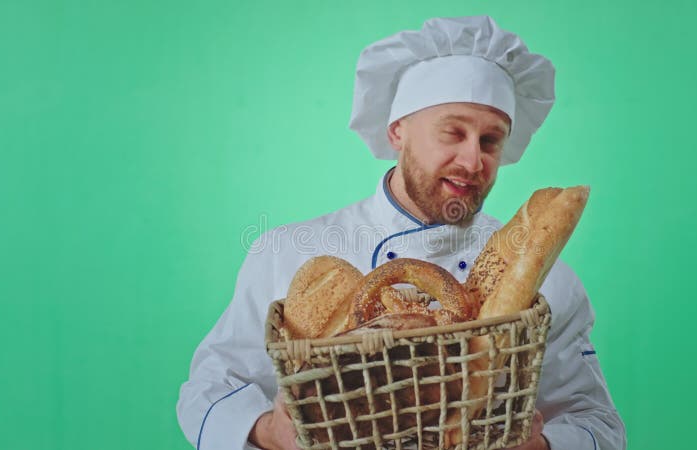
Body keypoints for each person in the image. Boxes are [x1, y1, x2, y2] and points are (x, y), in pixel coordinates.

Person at [177, 16, 626, 450]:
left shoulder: (546, 280)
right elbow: (207, 389)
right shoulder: (288, 253)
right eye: (453, 133)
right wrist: (267, 431)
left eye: (491, 141)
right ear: (397, 131)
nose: (473, 161)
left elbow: (600, 425)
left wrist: (543, 445)